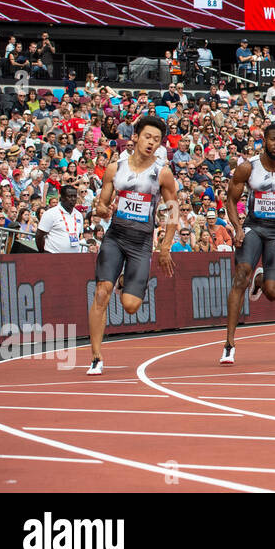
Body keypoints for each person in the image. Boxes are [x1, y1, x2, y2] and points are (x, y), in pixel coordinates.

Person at [87, 116, 179, 376]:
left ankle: (124, 281)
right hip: (115, 237)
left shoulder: (162, 173)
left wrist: (165, 245)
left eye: (157, 140)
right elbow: (102, 204)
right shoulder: (116, 169)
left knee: (130, 306)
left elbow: (172, 210)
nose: (151, 143)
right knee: (101, 292)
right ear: (135, 137)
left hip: (141, 244)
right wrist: (103, 209)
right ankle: (96, 355)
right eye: (148, 137)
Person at [221, 123, 275, 365]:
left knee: (272, 292)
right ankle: (229, 343)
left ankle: (260, 279)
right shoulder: (248, 167)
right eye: (273, 139)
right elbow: (231, 198)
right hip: (253, 227)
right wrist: (237, 228)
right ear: (264, 141)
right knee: (240, 276)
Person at [36, 185, 84, 253]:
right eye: (70, 196)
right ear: (62, 198)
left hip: (73, 257)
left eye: (74, 196)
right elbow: (39, 236)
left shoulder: (79, 215)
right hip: (53, 256)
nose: (73, 199)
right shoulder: (50, 213)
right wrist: (43, 253)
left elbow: (78, 235)